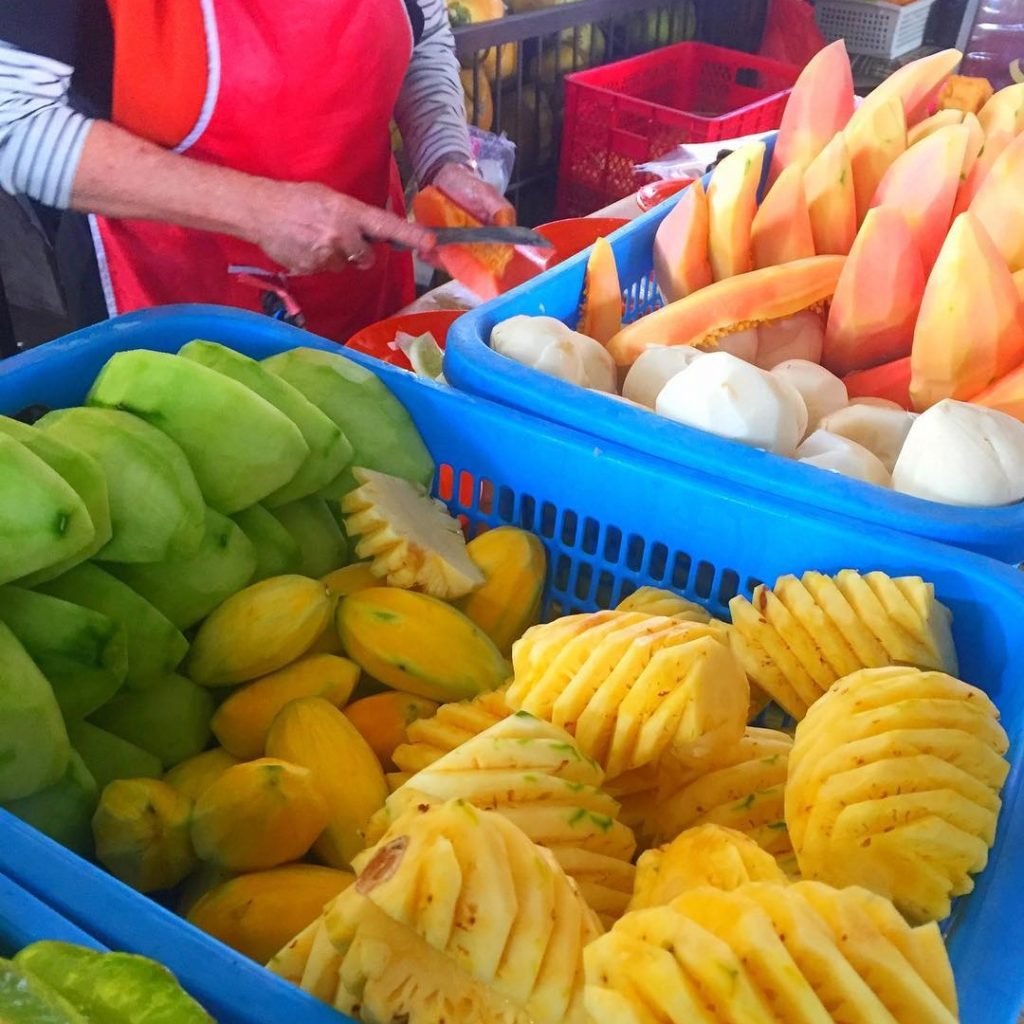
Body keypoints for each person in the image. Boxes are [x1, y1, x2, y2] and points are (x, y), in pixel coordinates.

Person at [0, 1, 511, 341]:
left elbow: (425, 33)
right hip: (176, 312)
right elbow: (13, 122)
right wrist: (261, 210)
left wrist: (444, 158)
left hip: (364, 283)